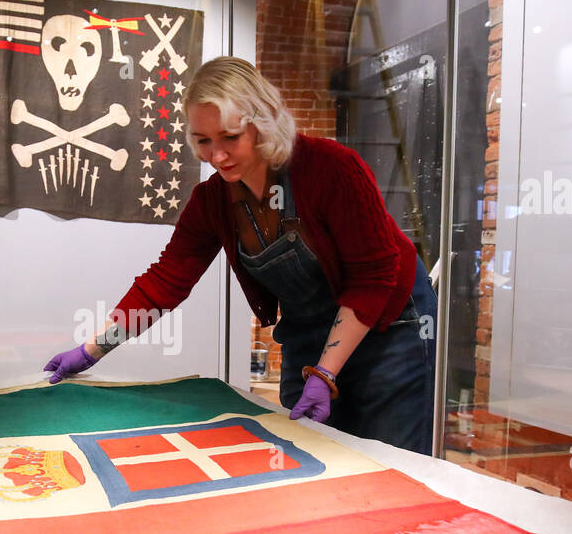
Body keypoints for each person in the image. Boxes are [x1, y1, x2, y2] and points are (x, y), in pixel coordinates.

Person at [44, 56, 437, 455]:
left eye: (230, 137)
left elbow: (373, 276)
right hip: (308, 330)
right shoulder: (212, 202)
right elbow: (166, 281)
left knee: (388, 463)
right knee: (311, 458)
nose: (217, 156)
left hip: (390, 326)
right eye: (203, 140)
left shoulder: (332, 168)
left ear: (262, 123)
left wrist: (326, 371)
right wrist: (93, 349)